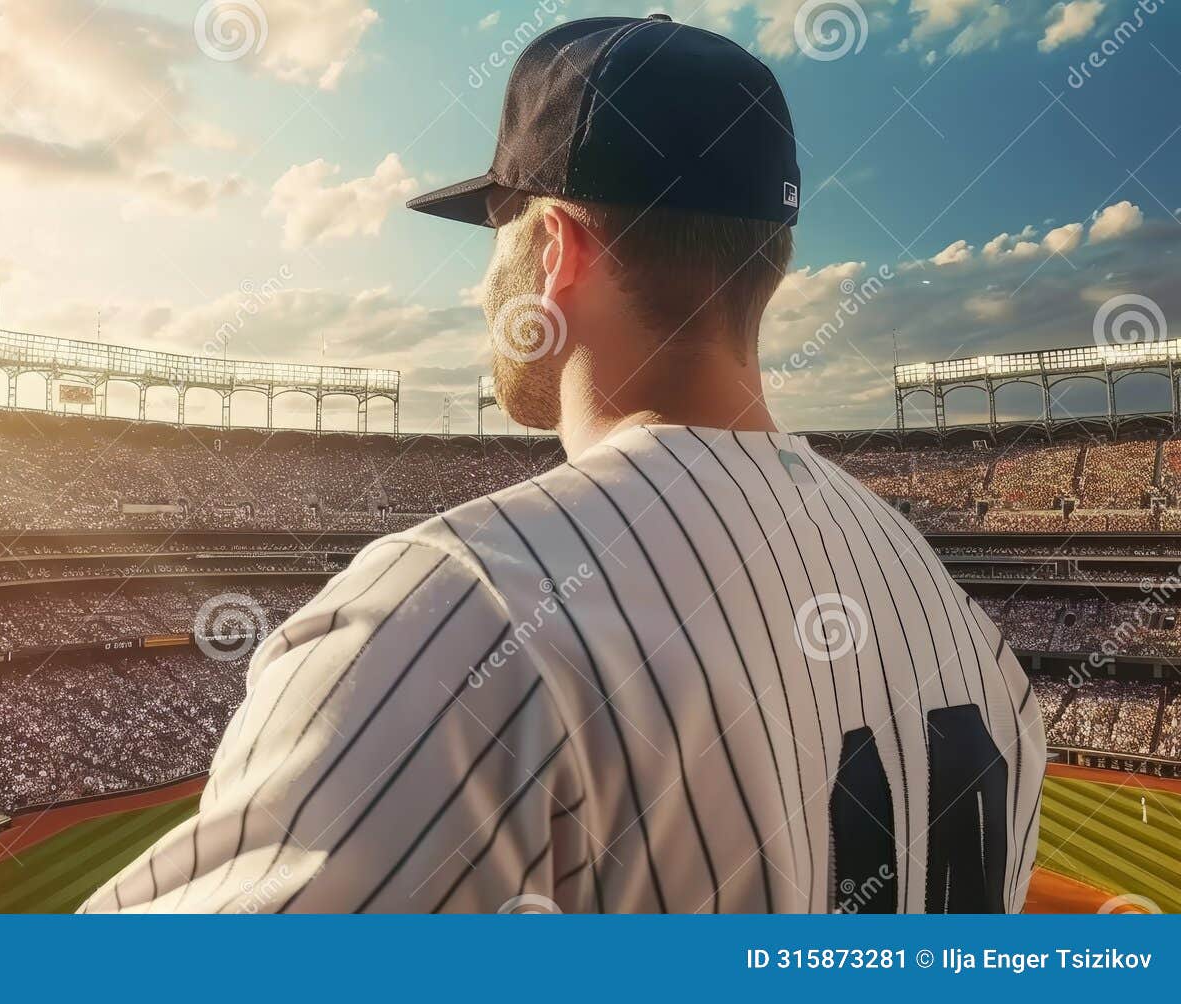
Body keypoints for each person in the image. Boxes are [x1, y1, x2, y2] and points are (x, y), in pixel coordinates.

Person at [83, 14, 1044, 914]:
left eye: (496, 229)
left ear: (556, 248)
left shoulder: (455, 610)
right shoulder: (948, 608)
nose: (482, 285)